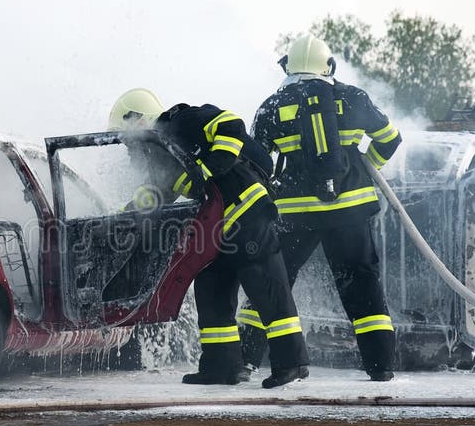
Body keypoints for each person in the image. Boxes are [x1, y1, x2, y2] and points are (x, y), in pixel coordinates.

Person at [108, 88, 309, 388]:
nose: (128, 146)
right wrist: (124, 215)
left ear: (137, 119)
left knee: (266, 287)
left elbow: (230, 124)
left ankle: (291, 363)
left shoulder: (182, 121)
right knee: (211, 289)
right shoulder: (162, 149)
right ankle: (222, 367)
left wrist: (209, 168)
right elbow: (160, 192)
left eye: (127, 136)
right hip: (216, 227)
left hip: (246, 212)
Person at [246, 35, 403, 381]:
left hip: (294, 214)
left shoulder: (272, 106)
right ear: (328, 65)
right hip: (350, 211)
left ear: (288, 67)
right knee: (362, 283)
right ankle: (381, 366)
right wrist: (364, 170)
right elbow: (391, 138)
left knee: (272, 281)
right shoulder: (354, 97)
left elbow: (256, 161)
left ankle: (246, 358)